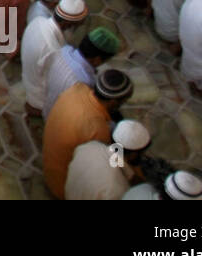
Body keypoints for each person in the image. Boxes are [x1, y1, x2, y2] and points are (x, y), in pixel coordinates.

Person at [42, 68, 133, 198]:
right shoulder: (96, 127)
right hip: (62, 184)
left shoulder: (78, 89)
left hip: (49, 164)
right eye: (123, 102)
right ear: (113, 102)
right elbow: (107, 161)